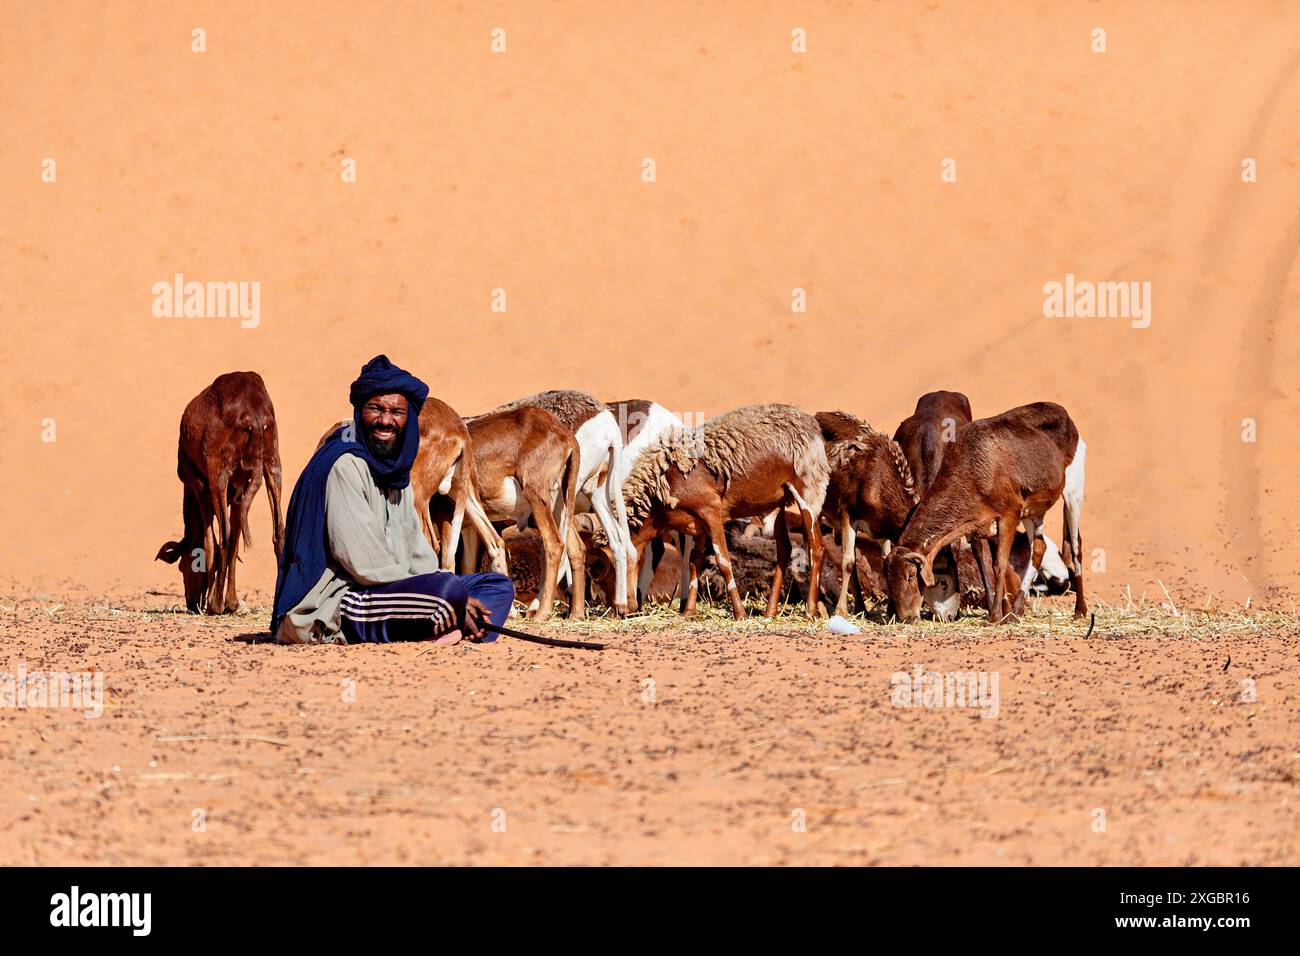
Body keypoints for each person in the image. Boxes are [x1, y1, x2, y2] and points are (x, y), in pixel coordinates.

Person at [270, 355, 514, 645]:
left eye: (396, 412)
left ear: (408, 417)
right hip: (340, 600)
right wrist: (441, 591)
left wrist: (438, 585)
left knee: (497, 585)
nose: (386, 421)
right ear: (360, 412)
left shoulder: (395, 473)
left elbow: (416, 552)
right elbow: (363, 565)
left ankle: (448, 625)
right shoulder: (346, 465)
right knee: (447, 591)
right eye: (376, 409)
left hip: (394, 590)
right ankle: (446, 622)